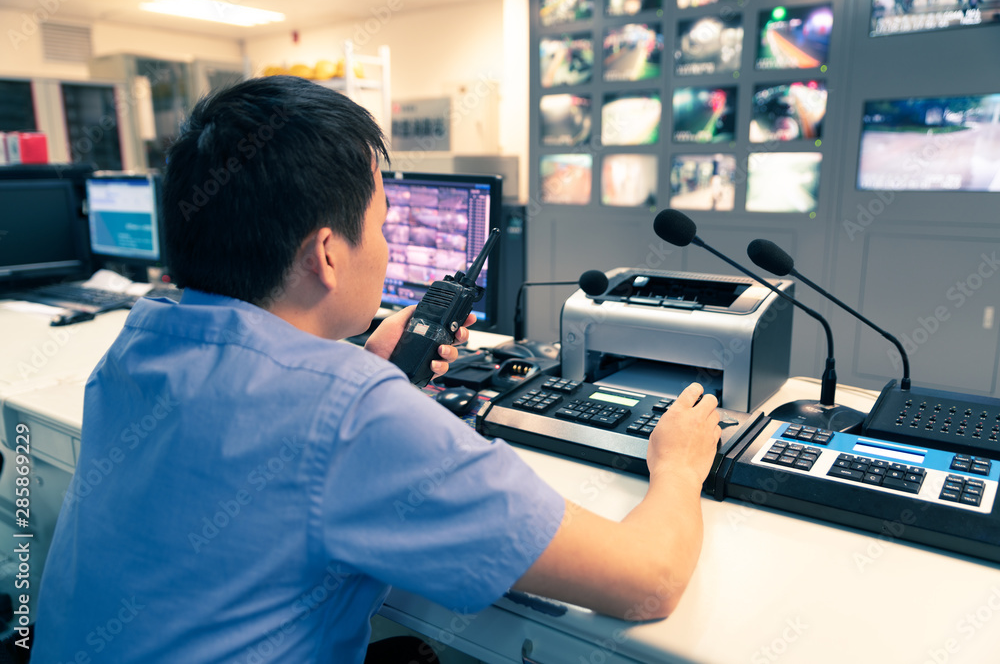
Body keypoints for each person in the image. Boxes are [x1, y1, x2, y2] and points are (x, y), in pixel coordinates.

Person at [32, 76, 721, 663]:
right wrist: (679, 464)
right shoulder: (354, 415)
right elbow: (648, 579)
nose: (388, 246)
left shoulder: (139, 343)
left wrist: (361, 369)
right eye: (384, 224)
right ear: (327, 255)